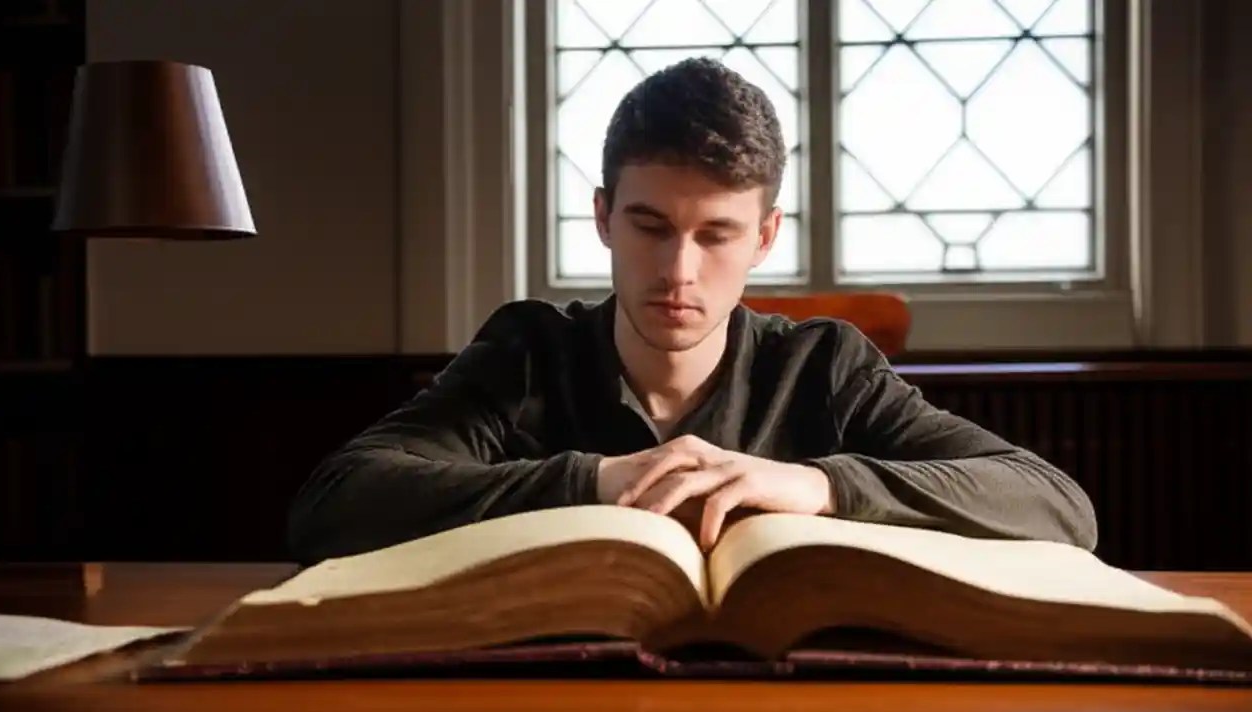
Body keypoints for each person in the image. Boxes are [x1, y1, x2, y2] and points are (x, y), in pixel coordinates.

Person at [287, 58, 1097, 565]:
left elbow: (1056, 503)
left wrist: (813, 486)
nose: (679, 270)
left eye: (717, 234)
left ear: (765, 236)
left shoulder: (825, 365)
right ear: (603, 217)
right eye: (649, 226)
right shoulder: (528, 349)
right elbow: (333, 503)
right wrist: (597, 482)